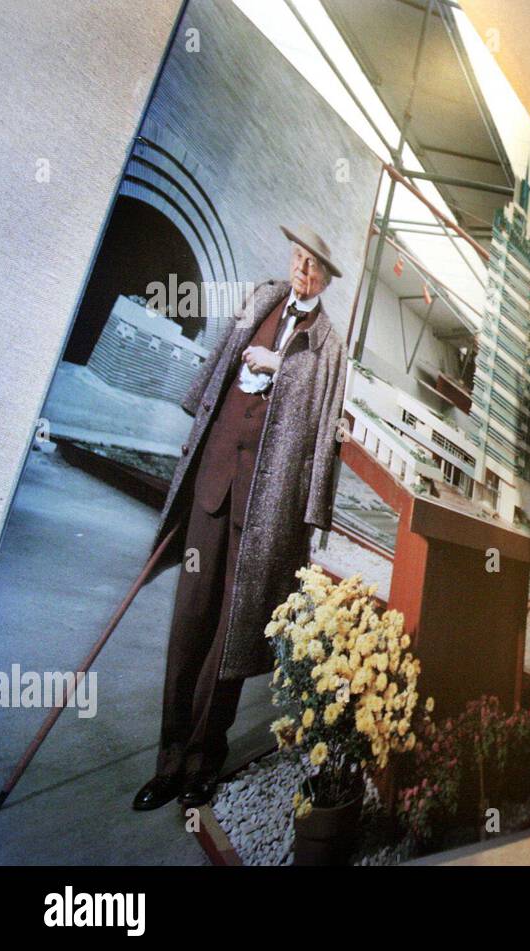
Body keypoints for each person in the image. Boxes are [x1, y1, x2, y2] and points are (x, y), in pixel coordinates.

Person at [133, 226, 349, 811]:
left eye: (316, 267)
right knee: (190, 624)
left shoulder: (329, 346)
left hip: (264, 507)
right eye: (300, 259)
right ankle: (168, 759)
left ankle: (204, 760)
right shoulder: (260, 298)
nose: (304, 271)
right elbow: (219, 365)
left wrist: (280, 365)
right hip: (213, 483)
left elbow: (324, 429)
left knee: (231, 632)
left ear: (327, 279)